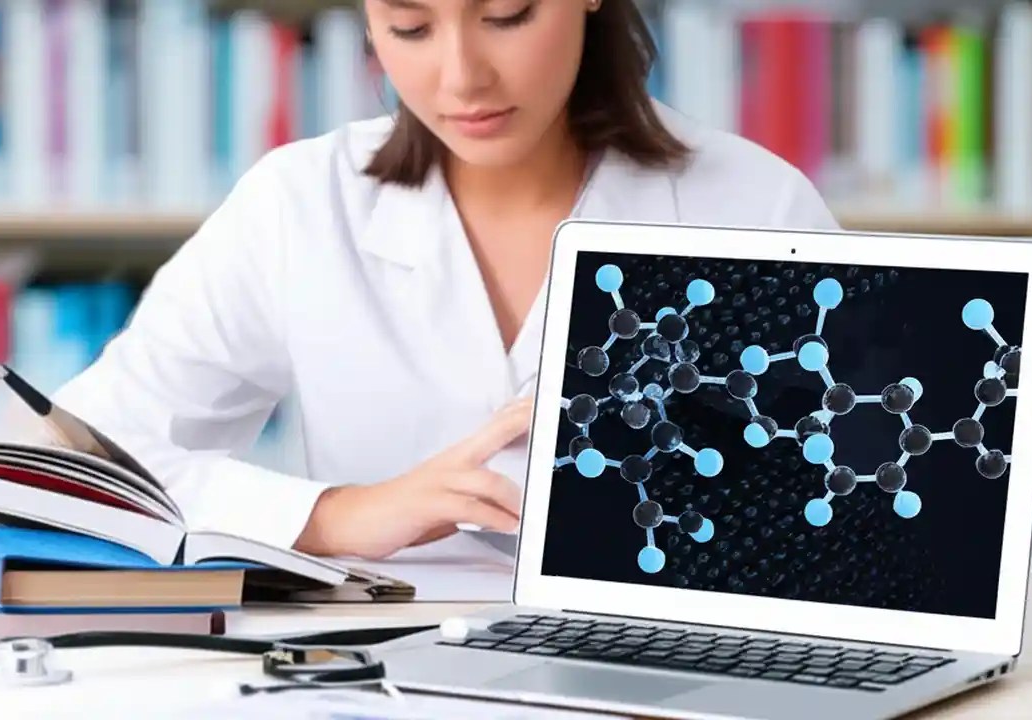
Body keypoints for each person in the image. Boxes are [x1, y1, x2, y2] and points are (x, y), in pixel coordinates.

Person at [50, 0, 840, 566]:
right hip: (374, 677)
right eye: (410, 26)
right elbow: (92, 464)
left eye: (507, 16)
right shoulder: (300, 202)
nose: (462, 77)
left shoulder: (754, 205)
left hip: (685, 672)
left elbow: (872, 508)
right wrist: (336, 515)